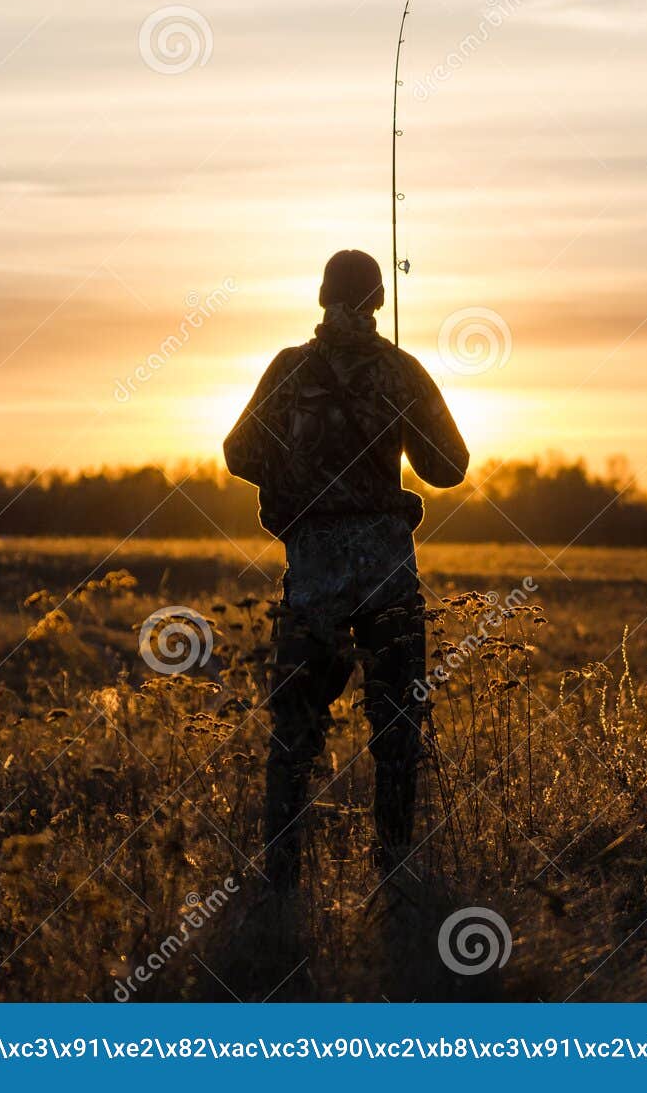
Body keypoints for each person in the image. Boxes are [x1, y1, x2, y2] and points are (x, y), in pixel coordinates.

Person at [223, 249, 470, 892]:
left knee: (295, 730)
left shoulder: (289, 369)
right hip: (389, 567)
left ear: (321, 296)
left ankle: (281, 883)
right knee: (396, 729)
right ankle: (394, 876)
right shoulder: (402, 371)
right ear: (381, 302)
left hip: (314, 572)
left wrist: (300, 482)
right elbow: (449, 468)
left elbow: (238, 451)